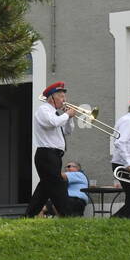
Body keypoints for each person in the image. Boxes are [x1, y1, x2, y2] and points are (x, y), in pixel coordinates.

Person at [25, 82, 76, 218]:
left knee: (44, 188)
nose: (64, 100)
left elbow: (68, 131)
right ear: (51, 97)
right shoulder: (44, 110)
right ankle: (68, 216)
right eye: (60, 96)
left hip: (54, 156)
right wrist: (66, 115)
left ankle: (28, 215)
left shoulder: (56, 114)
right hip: (46, 154)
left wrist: (69, 118)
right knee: (59, 185)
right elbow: (54, 122)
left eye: (64, 96)